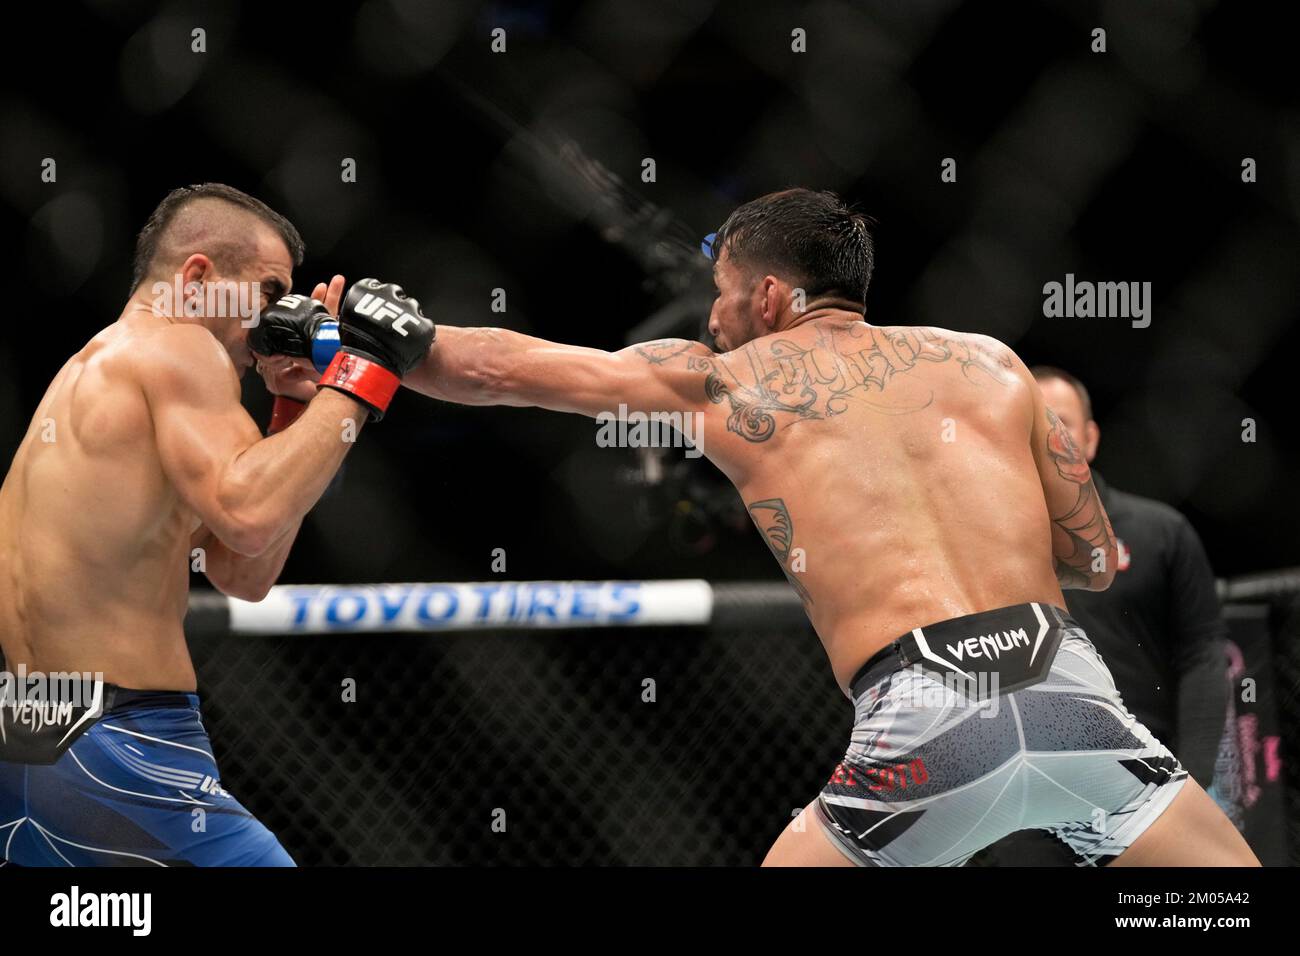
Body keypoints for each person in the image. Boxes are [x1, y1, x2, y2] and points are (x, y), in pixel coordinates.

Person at [269, 187, 1258, 866]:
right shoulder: (994, 363)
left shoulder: (731, 380)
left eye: (724, 294)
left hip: (927, 715)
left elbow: (506, 370)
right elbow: (1091, 556)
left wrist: (391, 333)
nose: (712, 318)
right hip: (1064, 687)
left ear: (773, 294)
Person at [0, 183, 432, 866]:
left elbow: (241, 570)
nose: (276, 321)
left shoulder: (92, 376)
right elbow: (252, 515)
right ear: (198, 278)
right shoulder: (177, 348)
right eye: (267, 294)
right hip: (127, 735)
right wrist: (363, 373)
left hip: (27, 738)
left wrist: (295, 406)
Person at [968, 366, 1237, 865]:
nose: (1049, 437)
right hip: (1028, 792)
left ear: (1090, 438)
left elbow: (1203, 657)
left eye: (1062, 423)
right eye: (1034, 424)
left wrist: (1193, 776)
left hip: (1143, 785)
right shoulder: (984, 546)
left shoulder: (1161, 532)